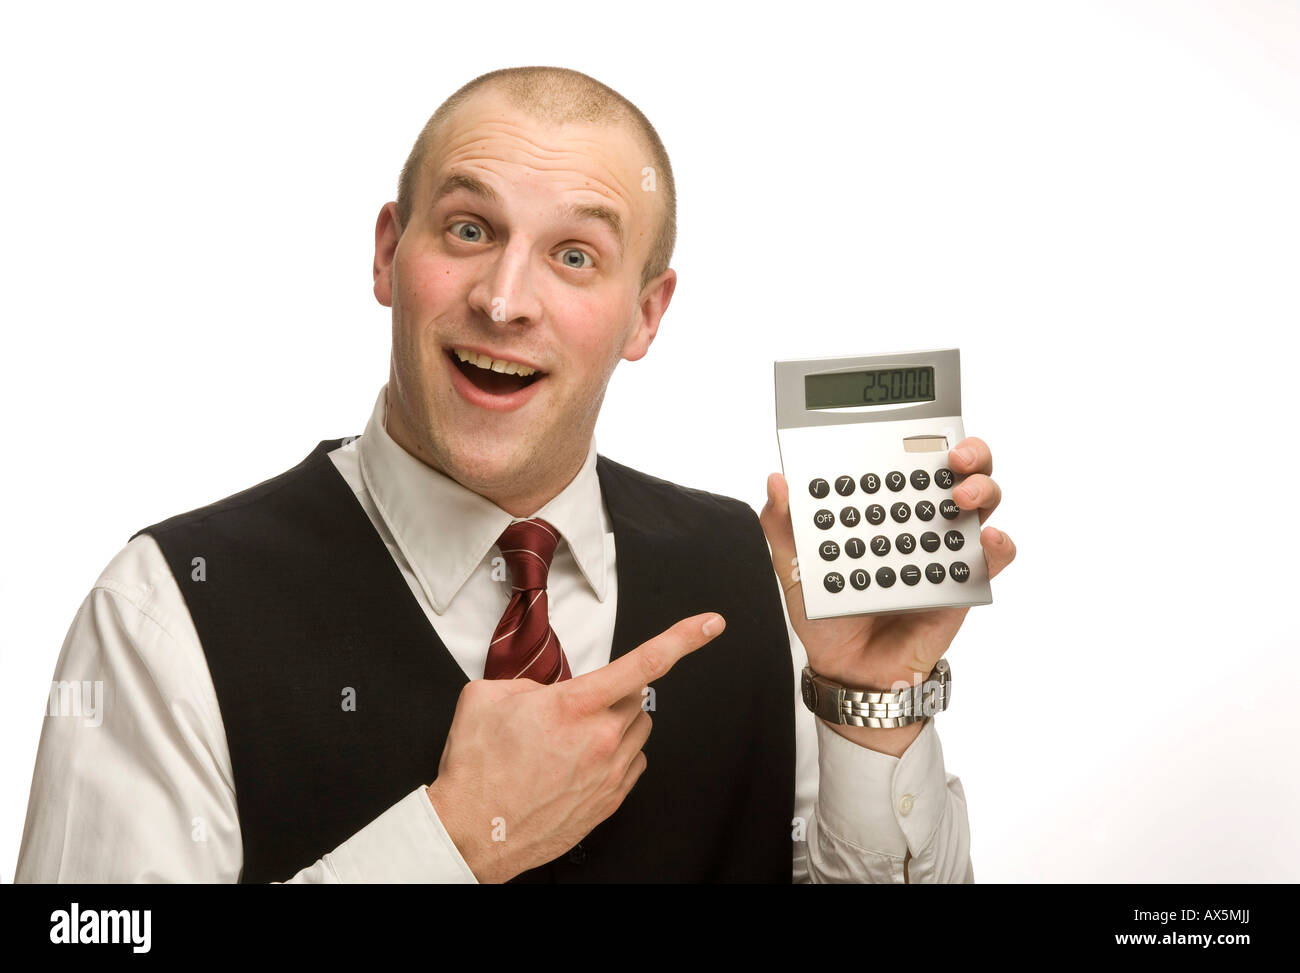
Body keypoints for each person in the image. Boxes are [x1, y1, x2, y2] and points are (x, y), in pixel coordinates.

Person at [15, 65, 1015, 884]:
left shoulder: (756, 578)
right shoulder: (167, 607)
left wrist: (866, 705)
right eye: (467, 230)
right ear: (385, 253)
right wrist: (448, 842)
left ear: (645, 315)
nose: (503, 299)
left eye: (575, 256)